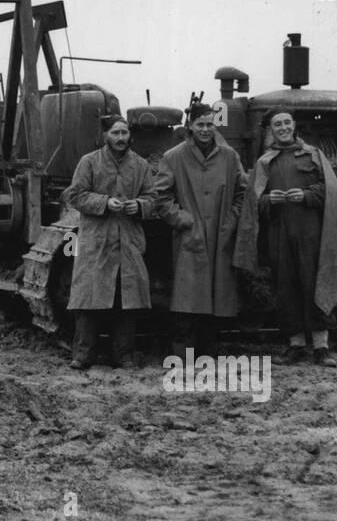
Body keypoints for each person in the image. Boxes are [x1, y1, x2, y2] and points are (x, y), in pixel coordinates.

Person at [233, 108, 337, 366]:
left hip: (311, 233)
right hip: (279, 233)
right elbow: (254, 202)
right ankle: (295, 345)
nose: (282, 127)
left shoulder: (314, 155)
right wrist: (271, 199)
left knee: (315, 280)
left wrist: (305, 196)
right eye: (276, 124)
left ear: (294, 126)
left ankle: (321, 346)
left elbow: (330, 191)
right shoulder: (265, 162)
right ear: (271, 129)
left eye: (286, 123)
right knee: (286, 286)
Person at [62, 113, 159, 370]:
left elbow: (153, 199)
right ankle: (83, 354)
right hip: (96, 240)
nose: (120, 138)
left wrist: (137, 206)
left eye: (124, 133)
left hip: (129, 240)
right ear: (105, 135)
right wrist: (105, 203)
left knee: (126, 300)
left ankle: (123, 355)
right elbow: (76, 195)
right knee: (88, 299)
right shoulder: (89, 162)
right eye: (115, 133)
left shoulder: (140, 166)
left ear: (130, 136)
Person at [152, 102, 247, 356]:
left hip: (220, 233)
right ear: (190, 127)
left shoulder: (230, 156)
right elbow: (160, 197)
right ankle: (183, 352)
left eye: (210, 124)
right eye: (200, 125)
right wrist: (181, 220)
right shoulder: (173, 157)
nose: (205, 130)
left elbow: (243, 192)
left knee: (216, 295)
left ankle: (208, 349)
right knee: (187, 297)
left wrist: (231, 220)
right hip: (189, 234)